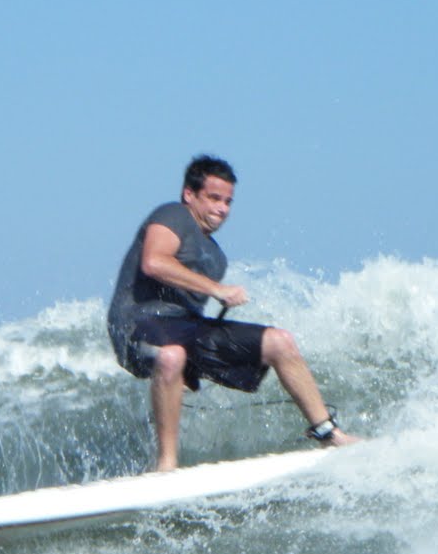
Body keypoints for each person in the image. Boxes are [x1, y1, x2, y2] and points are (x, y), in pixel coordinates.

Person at [107, 154, 360, 471]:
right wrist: (217, 290)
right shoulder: (172, 214)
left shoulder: (215, 256)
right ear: (190, 194)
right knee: (171, 356)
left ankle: (327, 432)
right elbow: (154, 262)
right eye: (214, 198)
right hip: (136, 324)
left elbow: (190, 316)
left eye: (228, 201)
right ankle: (166, 464)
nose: (222, 208)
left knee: (280, 342)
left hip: (184, 328)